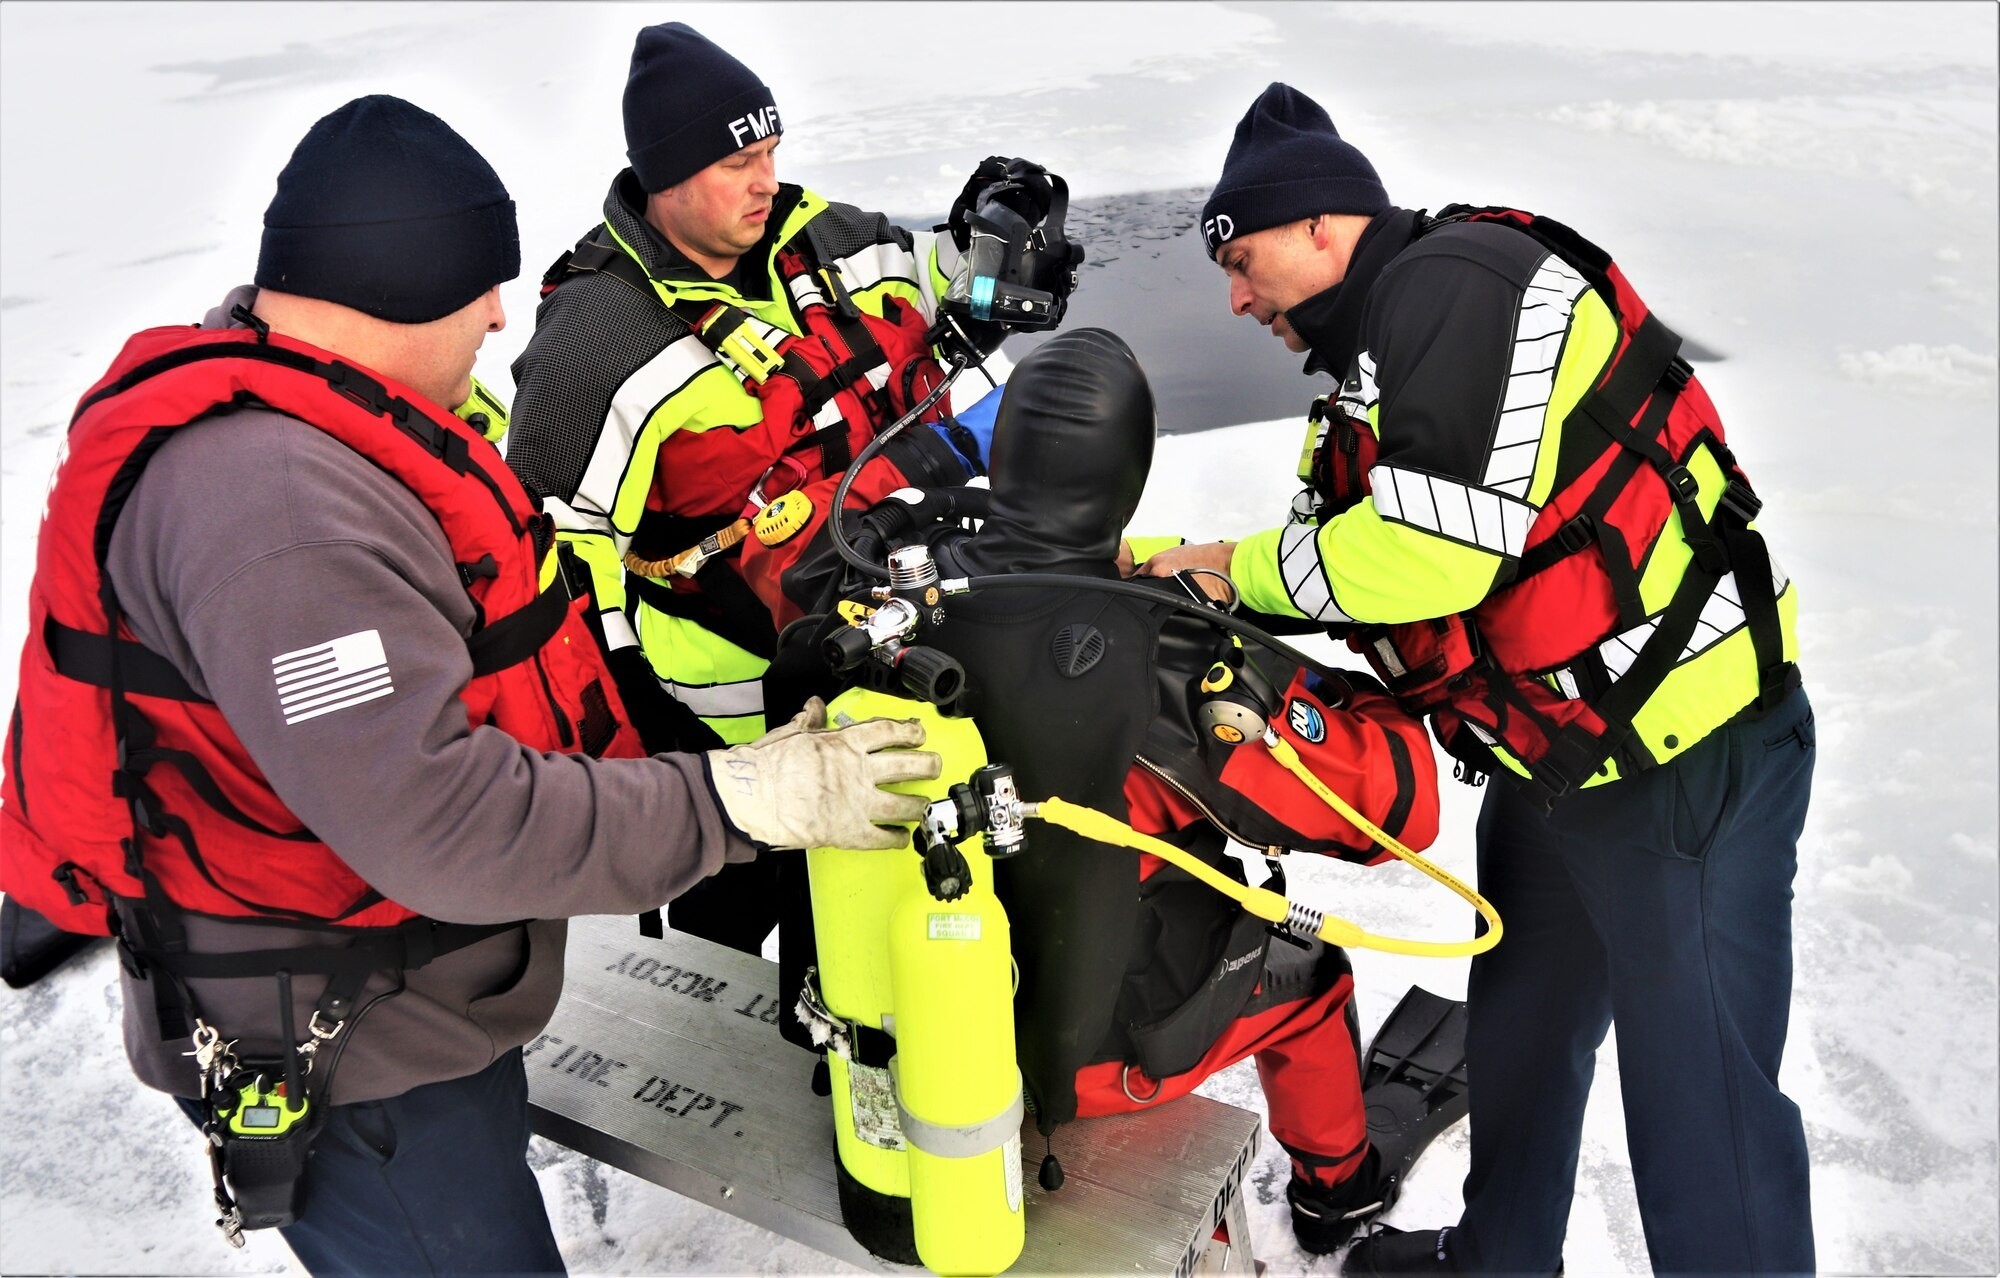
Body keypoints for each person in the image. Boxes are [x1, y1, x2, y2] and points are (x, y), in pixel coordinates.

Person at [0, 95, 937, 1275]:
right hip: (350, 1056)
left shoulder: (317, 416)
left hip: (398, 996)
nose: (501, 314)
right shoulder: (283, 522)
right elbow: (439, 818)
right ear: (386, 290)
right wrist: (733, 802)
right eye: (475, 290)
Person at [1138, 84, 1816, 1275]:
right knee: (1521, 1027)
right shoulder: (1394, 326)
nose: (1237, 300)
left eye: (1244, 264)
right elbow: (1383, 537)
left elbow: (1427, 552)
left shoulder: (1454, 287)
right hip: (1564, 749)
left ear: (1321, 227)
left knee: (1699, 1103)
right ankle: (1498, 1260)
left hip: (1683, 755)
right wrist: (1185, 566)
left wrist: (1229, 574)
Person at [801, 328, 1459, 1255]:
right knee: (1310, 977)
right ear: (1129, 475)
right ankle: (1337, 1193)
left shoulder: (881, 596)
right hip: (1087, 1041)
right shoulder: (1162, 664)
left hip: (907, 1003)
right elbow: (1402, 811)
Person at [506, 21, 1052, 957]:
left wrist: (995, 242)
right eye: (740, 162)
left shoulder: (826, 236)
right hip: (736, 714)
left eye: (771, 151)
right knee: (751, 926)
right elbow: (545, 541)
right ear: (666, 176)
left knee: (919, 908)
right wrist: (633, 702)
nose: (768, 178)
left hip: (913, 636)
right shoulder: (593, 337)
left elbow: (937, 293)